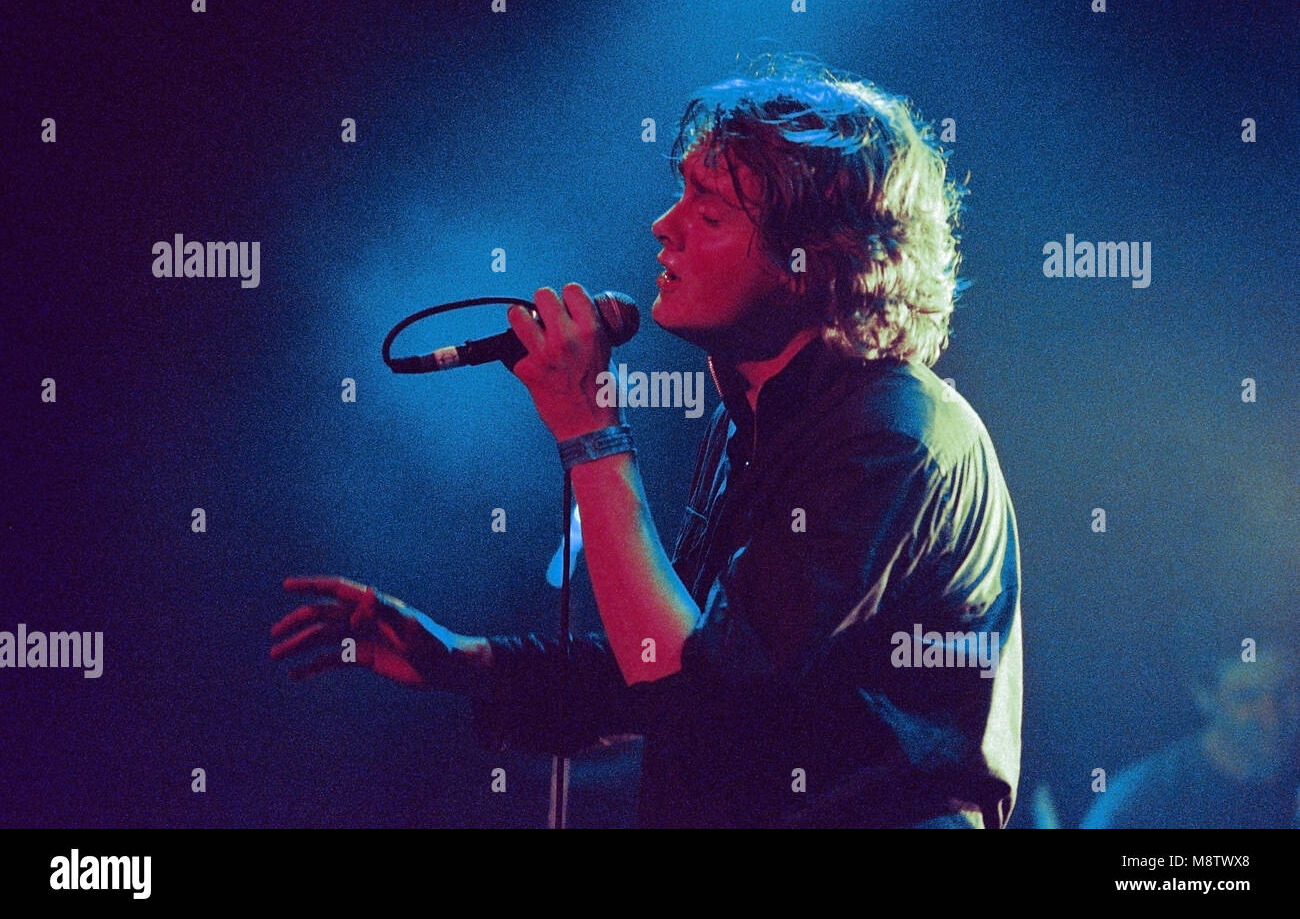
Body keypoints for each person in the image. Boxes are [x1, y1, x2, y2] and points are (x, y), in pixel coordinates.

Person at [271, 53, 1023, 828]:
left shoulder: (892, 439)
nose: (664, 227)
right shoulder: (752, 423)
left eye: (709, 213)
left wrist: (593, 433)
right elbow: (673, 660)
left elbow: (696, 695)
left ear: (810, 263)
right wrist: (461, 661)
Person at [1081, 647, 1299, 828]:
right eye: (1247, 698)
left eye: (1284, 692)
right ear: (1205, 697)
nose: (1271, 716)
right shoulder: (1140, 803)